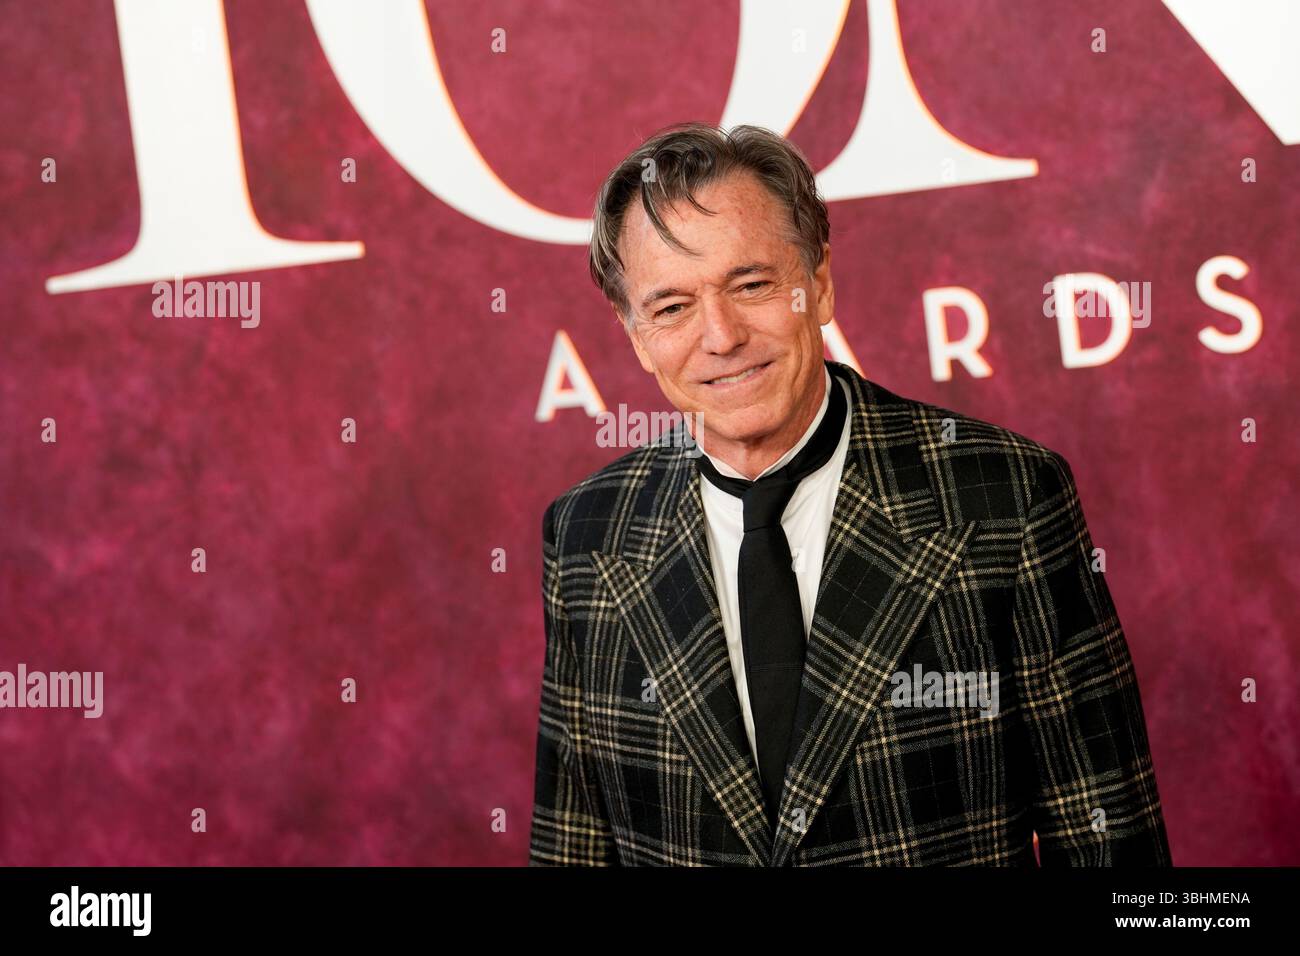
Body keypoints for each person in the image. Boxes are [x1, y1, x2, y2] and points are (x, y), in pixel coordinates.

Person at [528, 122, 1171, 866]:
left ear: (819, 282)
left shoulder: (1007, 500)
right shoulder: (585, 537)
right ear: (636, 334)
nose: (721, 335)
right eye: (671, 307)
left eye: (752, 284)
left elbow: (1112, 842)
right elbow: (569, 850)